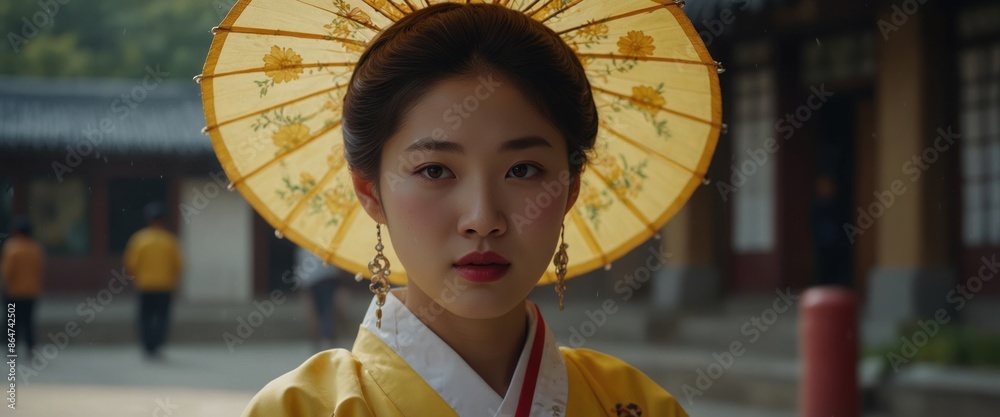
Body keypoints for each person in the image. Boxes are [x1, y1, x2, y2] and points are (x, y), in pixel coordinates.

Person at [242, 3, 688, 416]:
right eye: (435, 171)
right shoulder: (298, 409)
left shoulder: (634, 404)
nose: (483, 219)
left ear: (570, 187)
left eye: (524, 169)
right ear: (370, 191)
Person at [124, 202, 184, 359]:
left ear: (148, 219)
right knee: (162, 317)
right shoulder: (170, 241)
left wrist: (136, 278)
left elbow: (131, 264)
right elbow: (178, 265)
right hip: (165, 286)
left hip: (145, 286)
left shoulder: (140, 240)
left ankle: (147, 345)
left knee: (145, 317)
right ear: (164, 220)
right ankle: (157, 344)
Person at [1, 216, 44, 359]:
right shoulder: (35, 248)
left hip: (13, 292)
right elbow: (39, 269)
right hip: (31, 291)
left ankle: (12, 349)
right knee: (28, 322)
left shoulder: (12, 247)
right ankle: (30, 349)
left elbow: (7, 272)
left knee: (12, 321)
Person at [293, 245, 344, 350]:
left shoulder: (324, 245)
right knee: (316, 316)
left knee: (328, 314)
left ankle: (329, 343)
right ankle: (319, 345)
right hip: (313, 285)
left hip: (328, 283)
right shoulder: (304, 249)